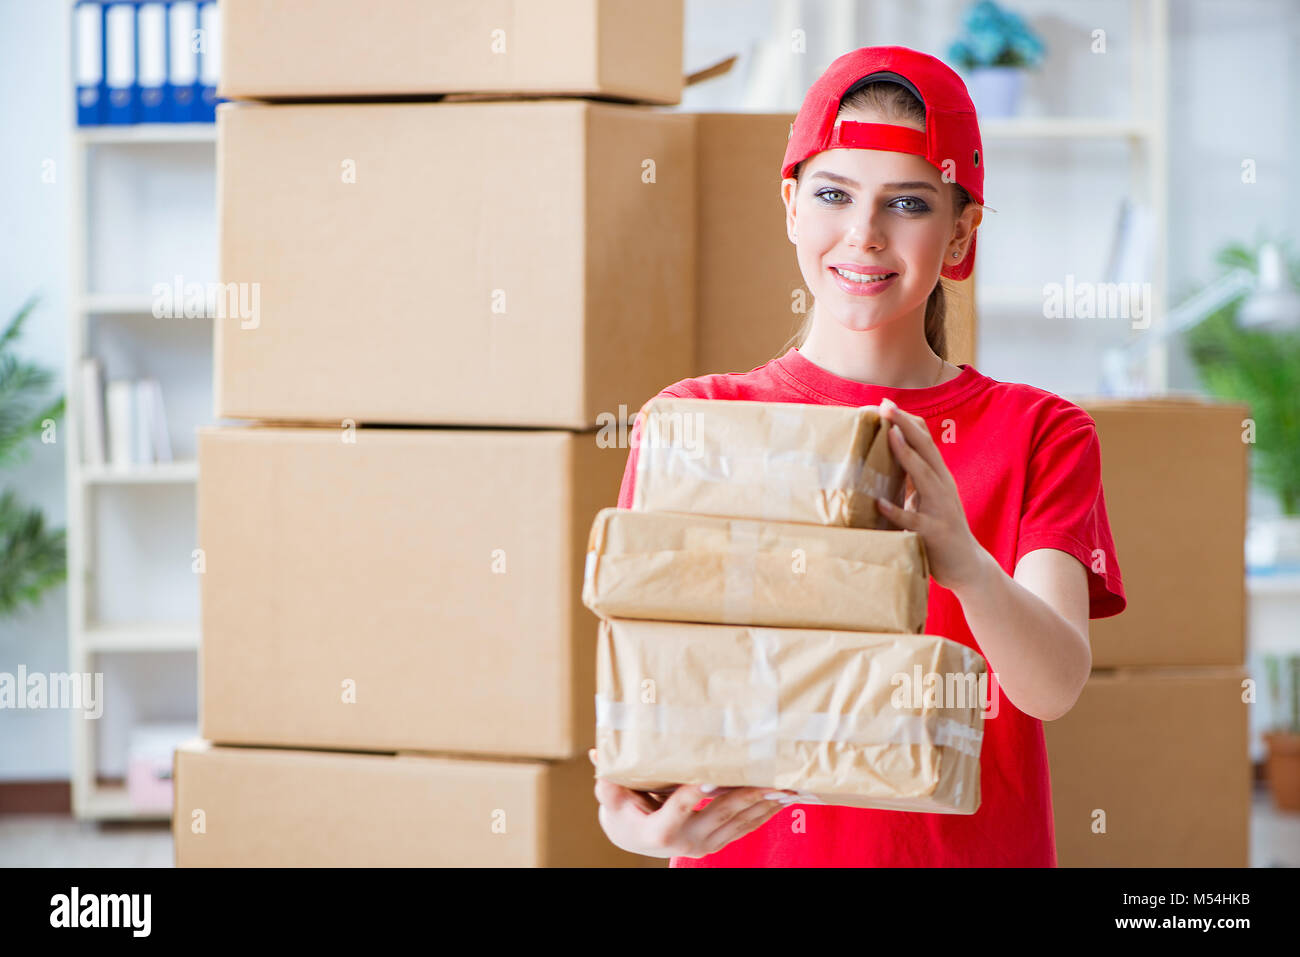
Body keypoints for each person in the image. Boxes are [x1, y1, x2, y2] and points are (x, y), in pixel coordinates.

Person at [591, 45, 1127, 867]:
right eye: (834, 194)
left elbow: (1051, 687)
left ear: (961, 233)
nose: (864, 234)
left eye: (907, 203)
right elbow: (645, 700)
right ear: (791, 208)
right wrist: (632, 823)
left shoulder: (1039, 432)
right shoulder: (694, 424)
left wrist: (961, 557)